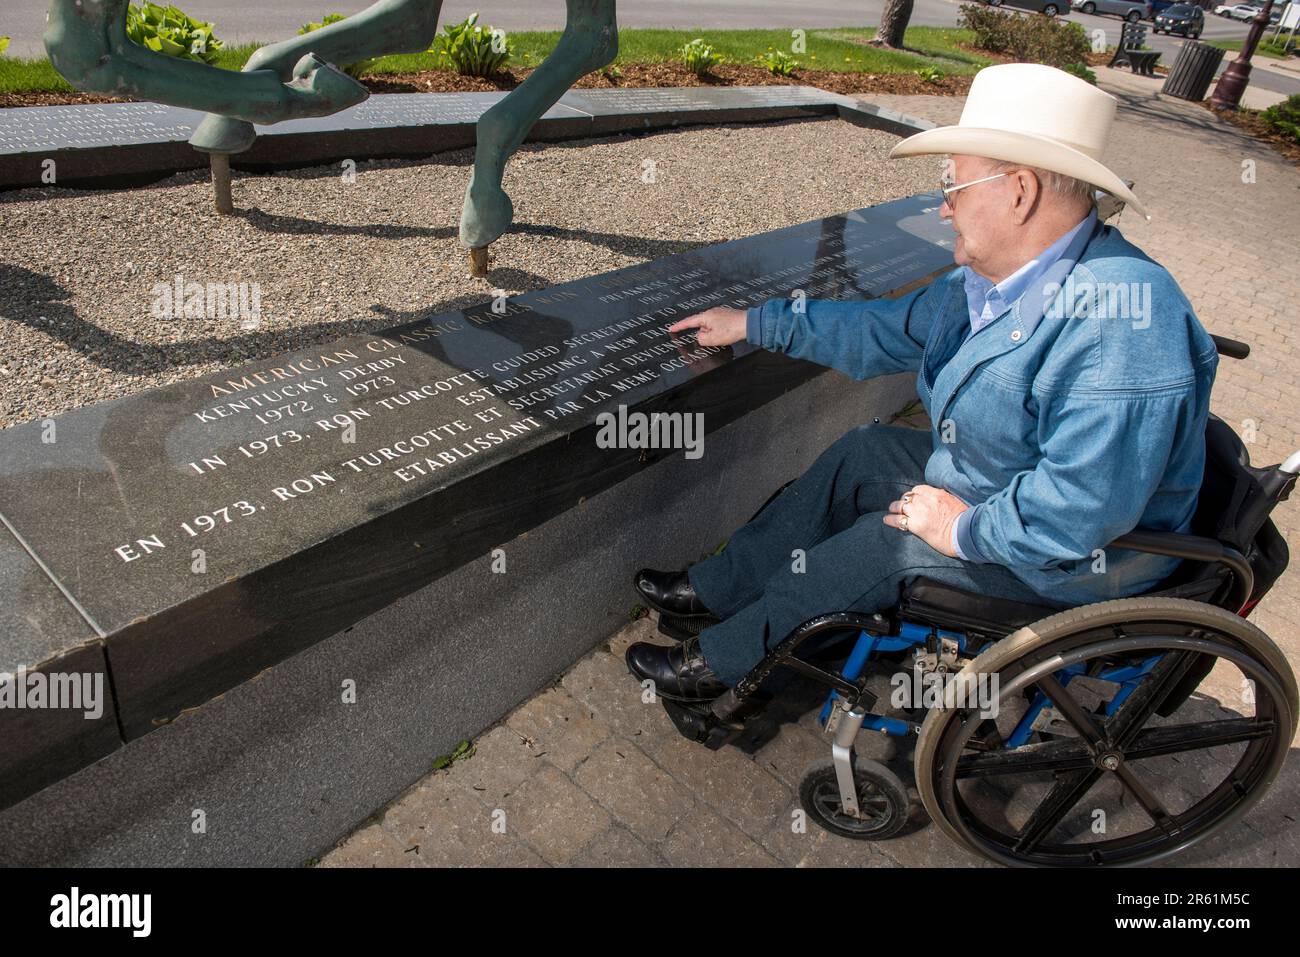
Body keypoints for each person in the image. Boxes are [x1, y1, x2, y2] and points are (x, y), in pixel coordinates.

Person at [624, 63, 1219, 701]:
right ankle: (721, 589)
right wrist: (756, 322)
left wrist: (959, 529)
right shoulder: (1001, 277)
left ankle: (720, 664)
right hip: (1009, 487)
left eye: (954, 185)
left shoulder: (1120, 326)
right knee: (864, 453)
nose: (943, 205)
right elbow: (883, 329)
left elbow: (1075, 516)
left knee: (886, 545)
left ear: (1019, 192)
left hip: (1074, 561)